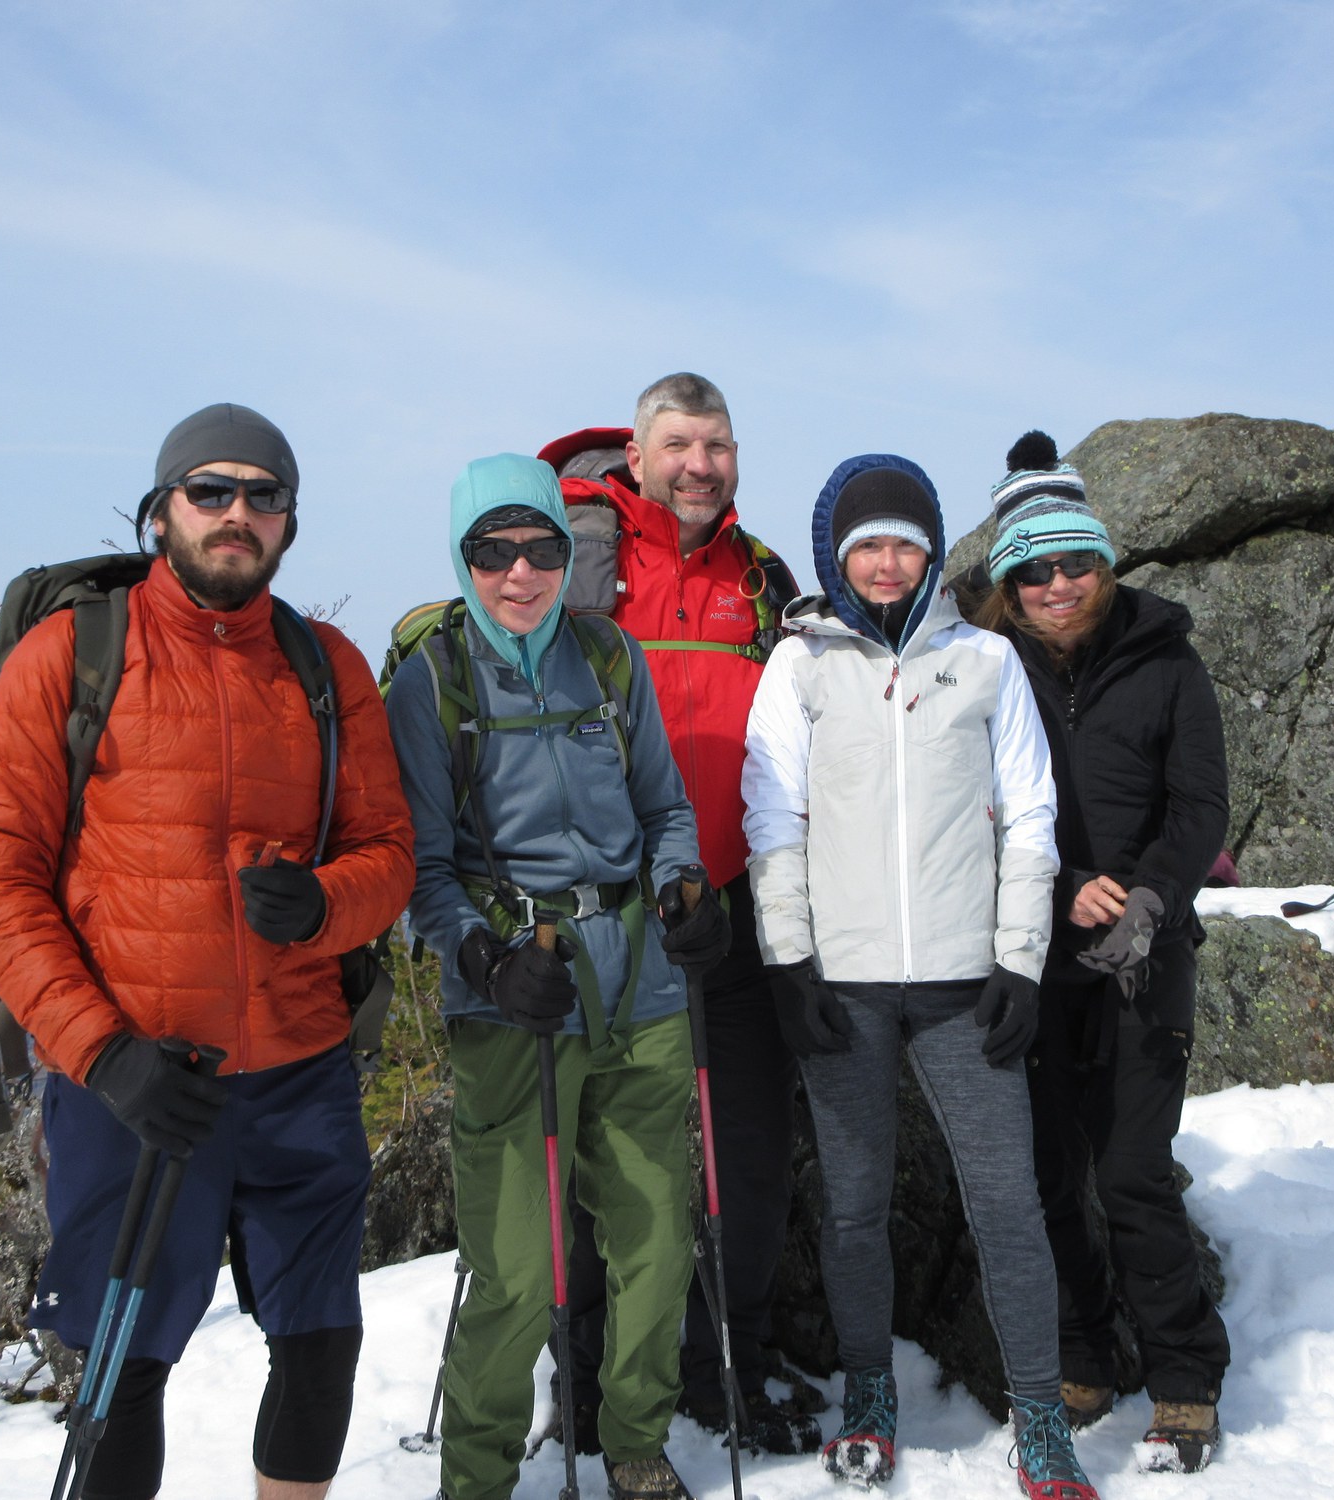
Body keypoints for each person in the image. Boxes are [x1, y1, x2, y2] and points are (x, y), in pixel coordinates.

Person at [0, 402, 416, 1500]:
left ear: (289, 522)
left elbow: (389, 855)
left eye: (263, 495)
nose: (236, 513)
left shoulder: (325, 666)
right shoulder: (73, 656)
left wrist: (321, 905)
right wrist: (104, 1055)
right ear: (160, 511)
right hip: (134, 1079)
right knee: (125, 1372)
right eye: (210, 490)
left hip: (299, 1068)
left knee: (321, 1348)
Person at [742, 454, 1100, 1500]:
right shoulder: (800, 665)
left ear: (934, 553)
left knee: (1007, 1204)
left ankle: (1040, 1418)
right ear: (837, 556)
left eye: (906, 543)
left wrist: (1020, 964)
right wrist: (788, 961)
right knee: (853, 1207)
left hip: (962, 983)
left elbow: (1030, 815)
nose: (888, 562)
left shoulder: (983, 660)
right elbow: (771, 816)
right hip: (842, 984)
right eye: (869, 546)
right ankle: (868, 1394)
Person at [384, 453, 731, 1500]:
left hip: (637, 982)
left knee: (656, 1239)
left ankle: (635, 1444)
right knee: (518, 1267)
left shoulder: (609, 657)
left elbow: (665, 808)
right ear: (463, 559)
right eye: (492, 551)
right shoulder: (432, 681)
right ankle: (476, 1479)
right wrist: (482, 960)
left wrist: (682, 889)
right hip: (517, 992)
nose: (520, 573)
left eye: (539, 547)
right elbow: (421, 869)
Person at [536, 372, 819, 1456]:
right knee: (601, 1157)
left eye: (718, 445)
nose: (700, 466)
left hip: (732, 906)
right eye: (679, 445)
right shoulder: (579, 561)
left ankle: (723, 1357)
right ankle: (587, 1370)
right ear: (637, 456)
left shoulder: (761, 579)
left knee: (748, 1148)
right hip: (608, 912)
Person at [972, 430, 1232, 1474]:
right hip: (1030, 951)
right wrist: (1059, 883)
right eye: (1032, 571)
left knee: (1130, 1173)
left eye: (1074, 562)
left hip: (1143, 954)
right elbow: (971, 805)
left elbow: (1199, 804)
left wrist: (1150, 900)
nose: (1057, 585)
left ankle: (1183, 1378)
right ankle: (1081, 1358)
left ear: (1104, 560)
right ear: (1007, 584)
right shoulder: (988, 668)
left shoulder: (1167, 659)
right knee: (1044, 1173)